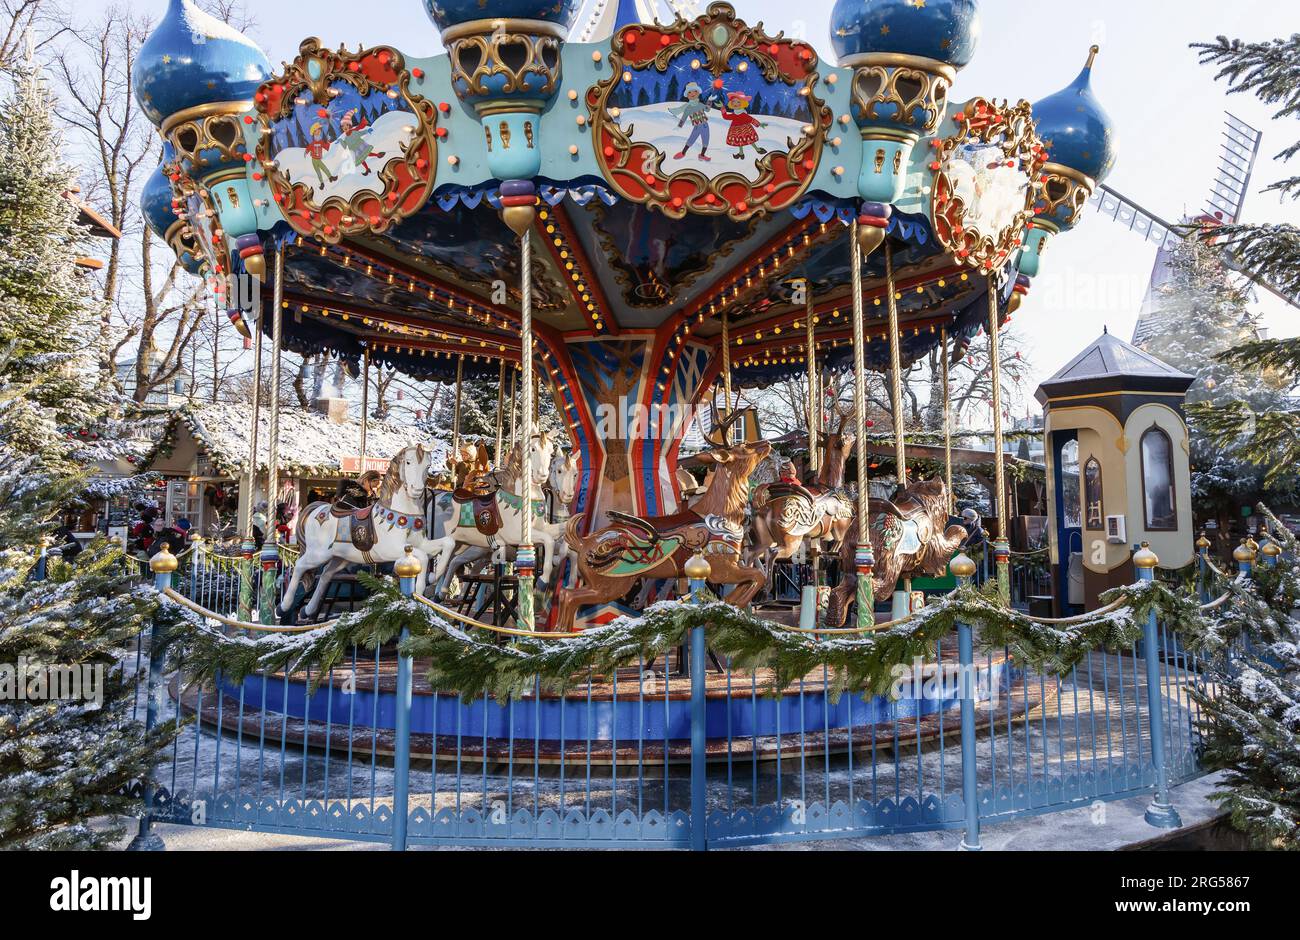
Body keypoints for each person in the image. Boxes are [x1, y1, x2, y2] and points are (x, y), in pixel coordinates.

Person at [668, 82, 715, 162]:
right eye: (690, 92)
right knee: (691, 139)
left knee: (706, 141)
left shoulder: (700, 104)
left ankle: (702, 155)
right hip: (696, 126)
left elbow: (707, 109)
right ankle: (683, 153)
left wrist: (709, 101)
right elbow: (684, 118)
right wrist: (679, 126)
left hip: (705, 125)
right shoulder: (688, 108)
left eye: (695, 91)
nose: (692, 93)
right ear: (687, 95)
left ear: (698, 93)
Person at [718, 91, 768, 160]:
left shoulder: (743, 114)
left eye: (738, 102)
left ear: (742, 103)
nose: (735, 104)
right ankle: (741, 153)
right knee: (739, 141)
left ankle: (757, 149)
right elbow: (726, 117)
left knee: (749, 139)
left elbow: (751, 119)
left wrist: (759, 124)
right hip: (736, 130)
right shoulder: (734, 114)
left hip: (745, 129)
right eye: (734, 102)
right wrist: (722, 108)